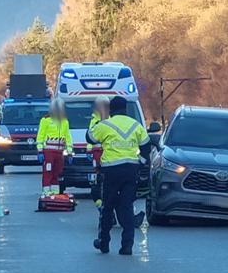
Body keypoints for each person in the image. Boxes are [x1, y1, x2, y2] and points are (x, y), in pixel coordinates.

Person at [87, 96, 152, 255]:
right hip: (131, 171)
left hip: (111, 171)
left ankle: (104, 243)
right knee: (127, 207)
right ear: (125, 109)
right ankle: (127, 246)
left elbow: (90, 137)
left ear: (111, 110)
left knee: (107, 207)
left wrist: (98, 121)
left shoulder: (105, 125)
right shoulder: (135, 125)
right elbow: (146, 147)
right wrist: (141, 162)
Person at [36, 98, 73, 196]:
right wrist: (40, 151)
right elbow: (40, 136)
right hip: (48, 151)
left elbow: (67, 137)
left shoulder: (65, 121)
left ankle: (55, 193)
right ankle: (46, 192)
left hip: (59, 152)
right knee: (48, 171)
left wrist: (69, 152)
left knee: (57, 172)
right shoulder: (45, 120)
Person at [88, 97, 111, 209]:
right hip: (97, 153)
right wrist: (89, 150)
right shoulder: (94, 120)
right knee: (98, 179)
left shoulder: (111, 119)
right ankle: (101, 206)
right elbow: (90, 137)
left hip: (108, 153)